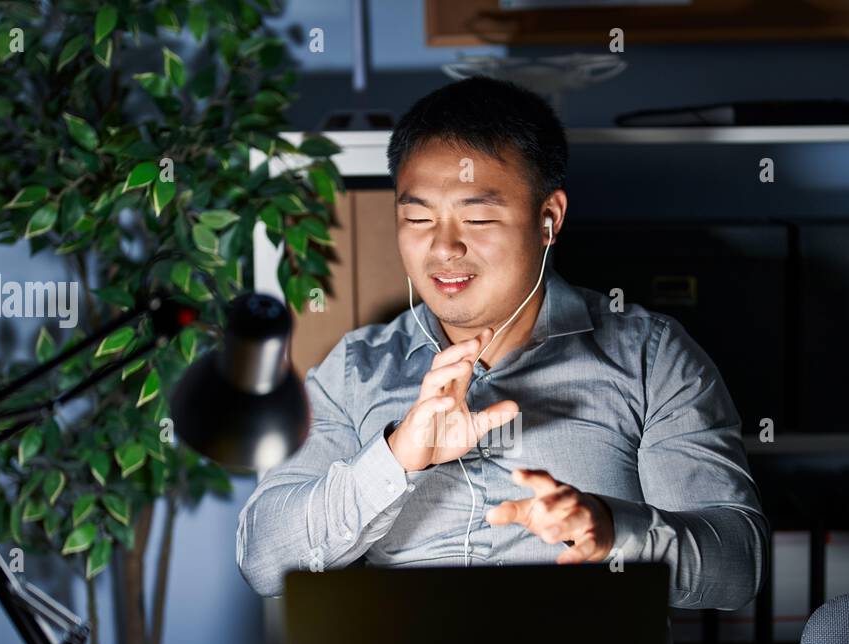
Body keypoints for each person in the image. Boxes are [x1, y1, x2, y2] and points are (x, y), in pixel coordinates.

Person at [237, 76, 767, 610]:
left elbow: (739, 567)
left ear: (548, 219)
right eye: (417, 218)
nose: (443, 247)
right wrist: (395, 459)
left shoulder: (651, 359)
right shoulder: (356, 368)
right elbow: (264, 559)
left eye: (478, 217)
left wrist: (614, 533)